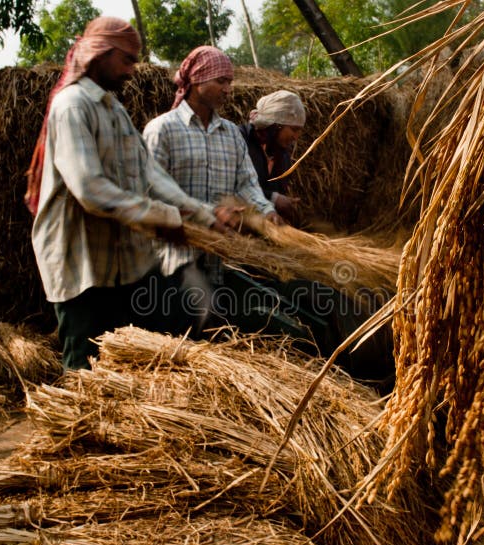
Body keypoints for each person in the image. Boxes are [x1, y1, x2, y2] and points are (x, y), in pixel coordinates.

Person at [26, 17, 220, 371]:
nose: (132, 70)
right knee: (85, 367)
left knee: (133, 360)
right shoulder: (72, 106)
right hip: (81, 261)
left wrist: (204, 215)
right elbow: (90, 189)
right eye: (126, 60)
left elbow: (150, 173)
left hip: (125, 263)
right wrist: (163, 217)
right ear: (99, 54)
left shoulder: (114, 110)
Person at [142, 46, 283, 334]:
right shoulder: (162, 130)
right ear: (197, 80)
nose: (228, 89)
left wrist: (267, 211)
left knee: (224, 328)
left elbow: (246, 183)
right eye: (221, 81)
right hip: (177, 256)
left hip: (222, 257)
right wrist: (208, 213)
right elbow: (151, 192)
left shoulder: (231, 133)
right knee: (199, 324)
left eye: (230, 82)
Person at [239, 90, 306, 223]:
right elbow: (234, 186)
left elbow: (277, 191)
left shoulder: (282, 155)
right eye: (294, 129)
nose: (296, 137)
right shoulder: (239, 140)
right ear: (275, 125)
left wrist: (285, 203)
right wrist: (274, 198)